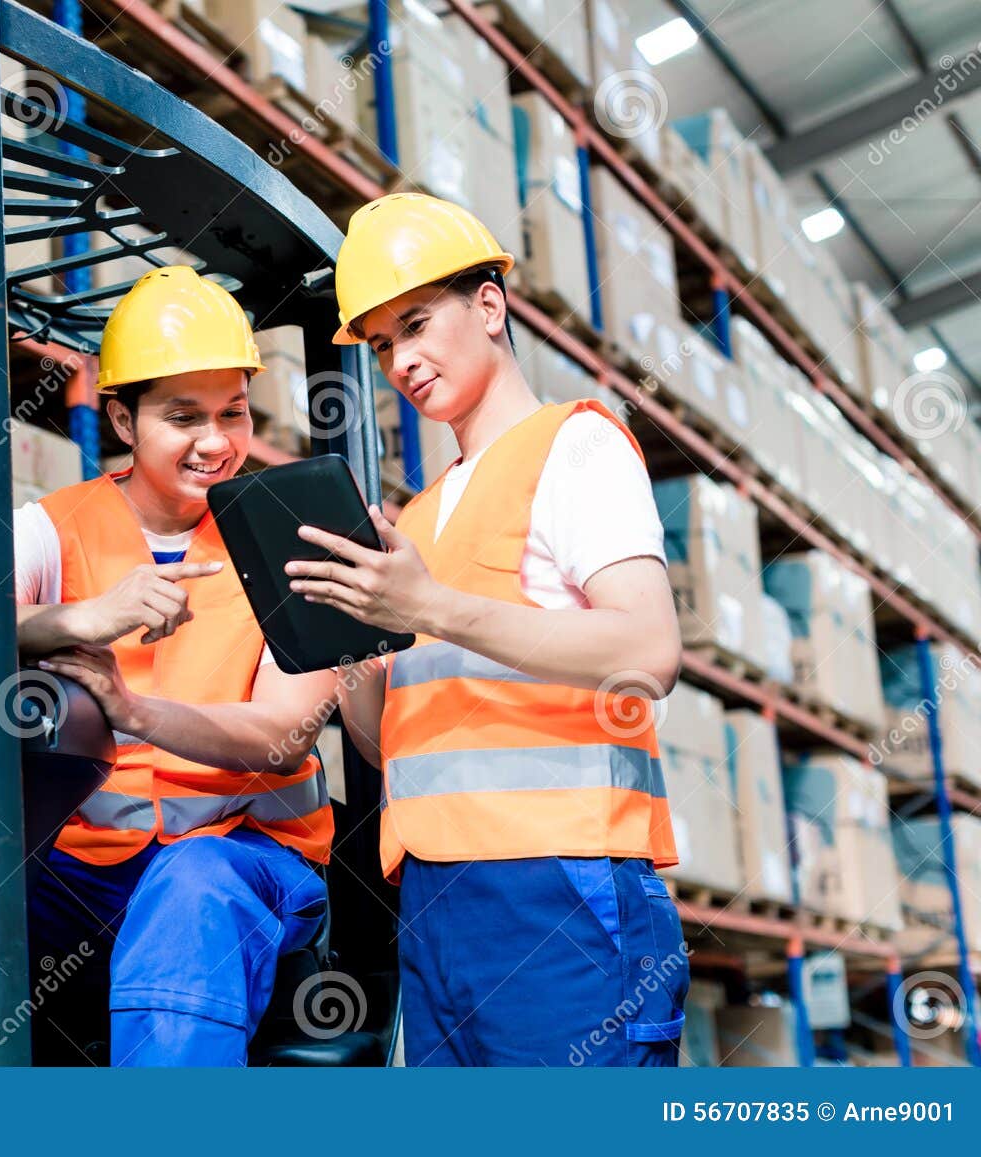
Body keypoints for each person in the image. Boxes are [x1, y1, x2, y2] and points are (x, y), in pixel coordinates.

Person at [285, 193, 687, 1067]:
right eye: (385, 343)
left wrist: (428, 606)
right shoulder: (418, 518)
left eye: (418, 324)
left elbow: (648, 653)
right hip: (434, 902)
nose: (402, 359)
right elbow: (391, 743)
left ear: (492, 306)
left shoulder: (575, 447)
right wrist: (354, 639)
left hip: (562, 891)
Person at [14, 265, 338, 1067]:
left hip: (248, 862)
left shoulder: (300, 534)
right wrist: (75, 618)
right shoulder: (52, 529)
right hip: (81, 873)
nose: (218, 441)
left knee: (190, 890)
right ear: (122, 418)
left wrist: (137, 712)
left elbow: (281, 736)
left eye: (234, 412)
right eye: (184, 415)